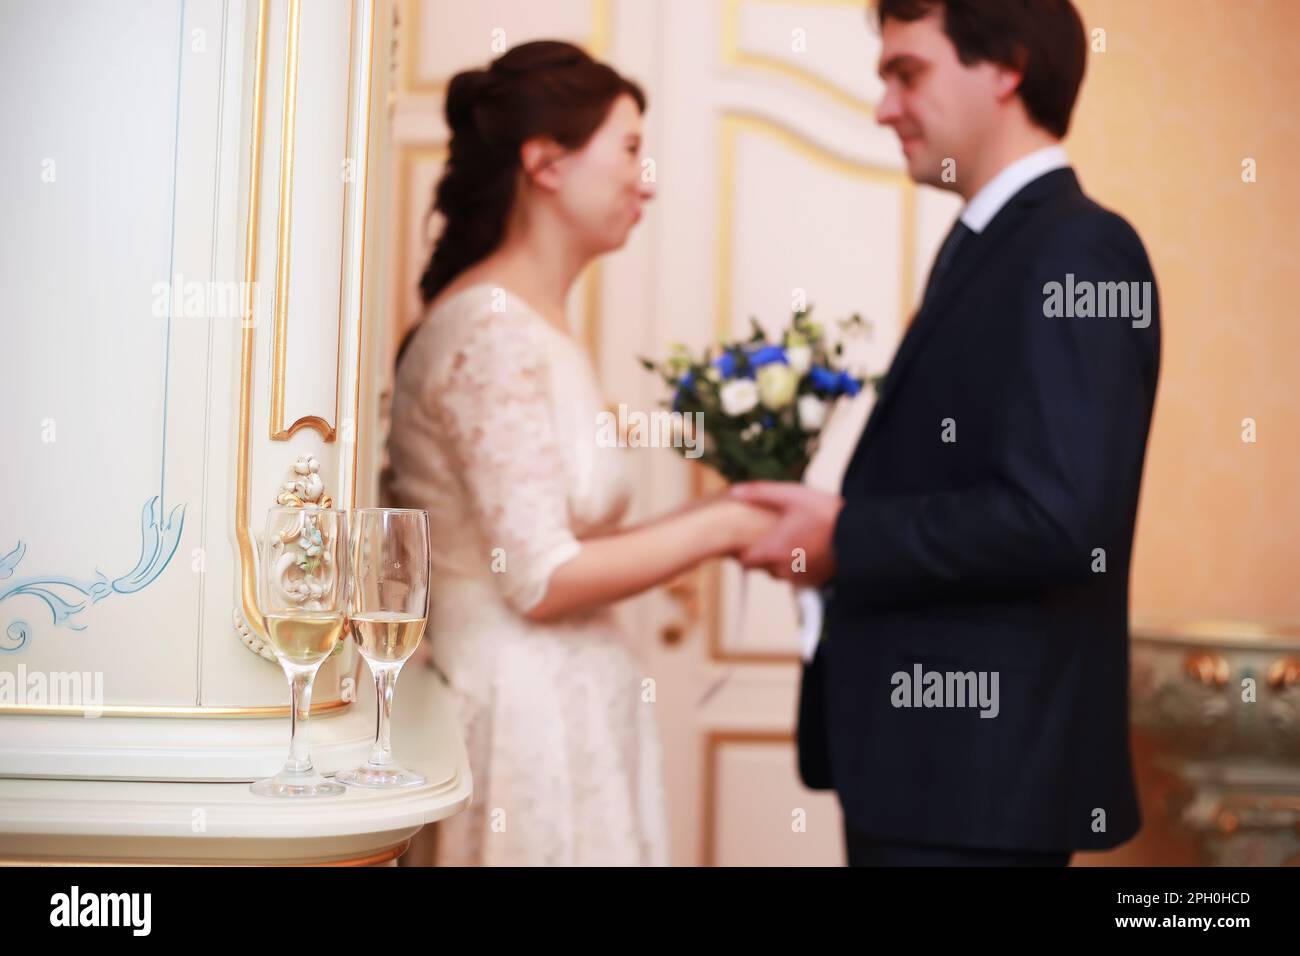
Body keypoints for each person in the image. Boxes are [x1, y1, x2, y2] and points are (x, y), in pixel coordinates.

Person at [734, 0, 1161, 866]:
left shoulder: (1081, 251)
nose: (883, 106)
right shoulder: (990, 244)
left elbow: (1058, 519)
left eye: (907, 72)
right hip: (934, 782)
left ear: (1004, 67)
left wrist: (842, 534)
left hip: (978, 790)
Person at [382, 41, 777, 865]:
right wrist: (729, 524)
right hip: (519, 721)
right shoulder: (489, 329)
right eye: (631, 148)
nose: (648, 179)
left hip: (571, 716)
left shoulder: (538, 323)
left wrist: (718, 513)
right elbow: (540, 577)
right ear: (546, 163)